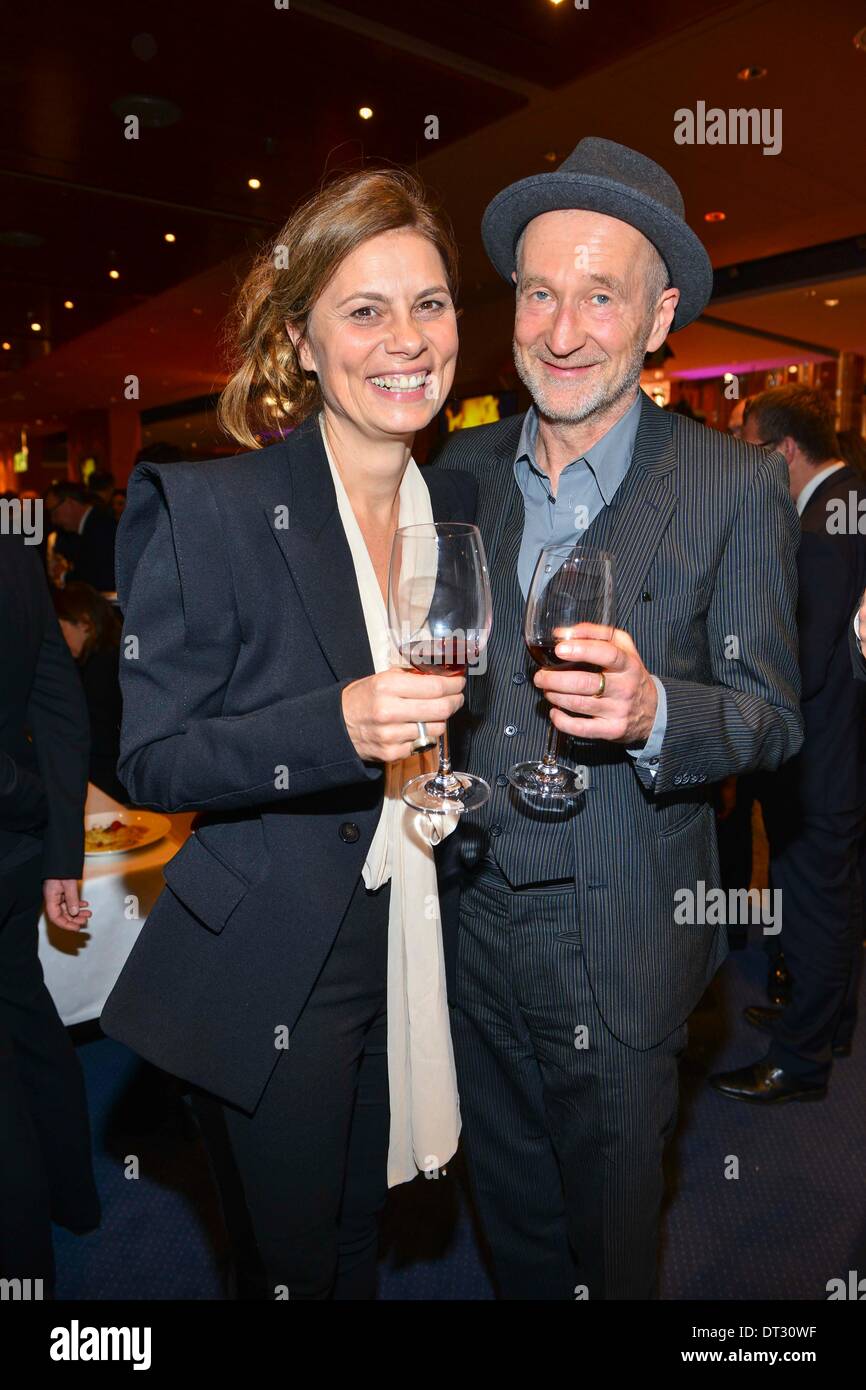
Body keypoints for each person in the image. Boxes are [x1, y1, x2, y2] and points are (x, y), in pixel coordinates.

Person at [433, 136, 803, 1300]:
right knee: (509, 1218)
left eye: (601, 295)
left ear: (659, 318)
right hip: (464, 924)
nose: (559, 329)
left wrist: (652, 712)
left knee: (606, 1234)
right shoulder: (457, 469)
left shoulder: (731, 488)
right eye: (539, 292)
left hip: (618, 935)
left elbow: (771, 718)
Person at [100, 168, 475, 1300]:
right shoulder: (207, 510)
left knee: (354, 1239)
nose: (405, 339)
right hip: (277, 960)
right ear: (302, 341)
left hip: (412, 929)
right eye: (363, 311)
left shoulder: (450, 510)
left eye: (430, 302)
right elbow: (150, 760)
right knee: (296, 1265)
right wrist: (336, 724)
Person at [711, 387, 866, 1102]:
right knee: (833, 895)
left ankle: (800, 1060)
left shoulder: (825, 524)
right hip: (841, 751)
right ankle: (823, 1019)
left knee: (815, 902)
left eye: (747, 442)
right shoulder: (848, 499)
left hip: (823, 755)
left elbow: (802, 660)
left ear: (783, 452)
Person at [0, 533, 100, 1291]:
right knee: (27, 1020)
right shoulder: (11, 544)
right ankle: (75, 1199)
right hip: (18, 853)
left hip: (17, 832)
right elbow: (60, 705)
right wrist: (59, 847)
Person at [52, 582, 127, 804]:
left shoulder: (101, 665)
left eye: (61, 628)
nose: (61, 640)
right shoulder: (110, 655)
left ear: (84, 623)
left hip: (111, 786)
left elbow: (98, 738)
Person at [46, 481, 117, 592]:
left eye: (54, 512)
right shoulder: (89, 526)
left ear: (69, 503)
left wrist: (63, 575)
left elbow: (100, 578)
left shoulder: (100, 527)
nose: (53, 520)